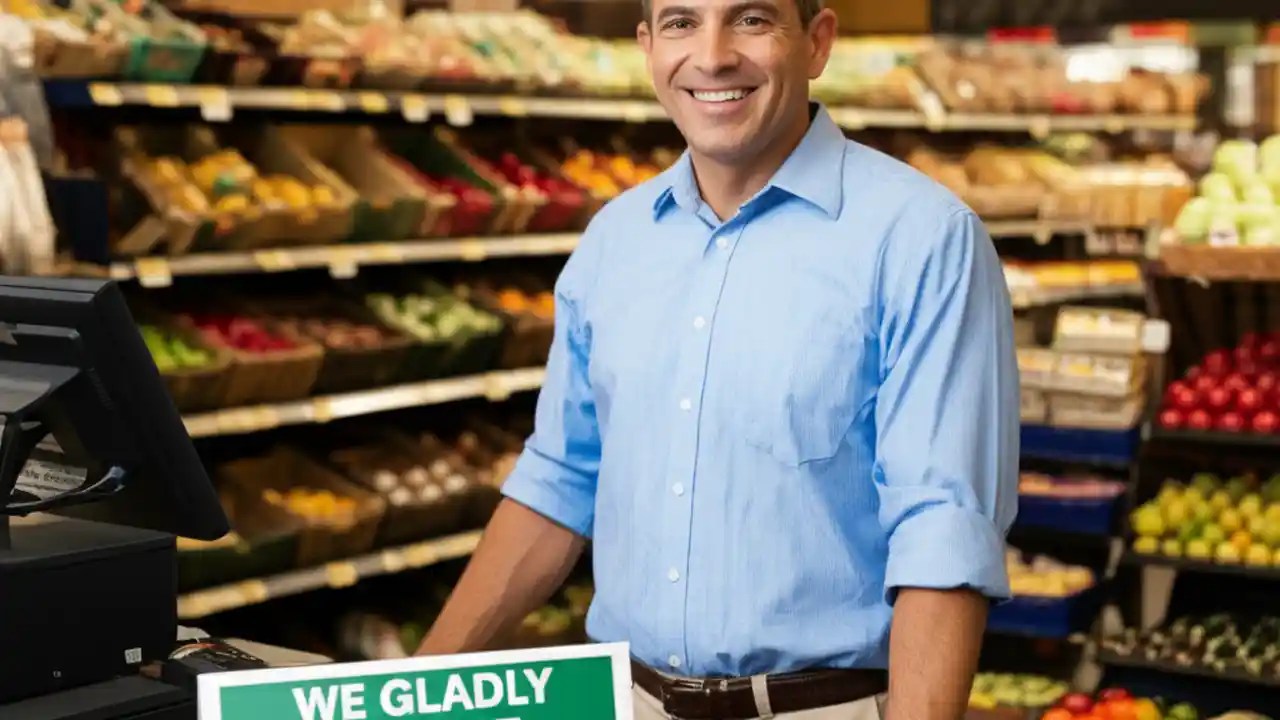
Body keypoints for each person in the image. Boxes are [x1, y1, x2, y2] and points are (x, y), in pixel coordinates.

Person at [417, 0, 1019, 717]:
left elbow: (941, 531)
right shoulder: (614, 242)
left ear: (817, 43)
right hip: (627, 702)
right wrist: (410, 692)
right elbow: (560, 479)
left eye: (752, 20)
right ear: (647, 48)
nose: (712, 55)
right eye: (680, 23)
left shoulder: (922, 239)